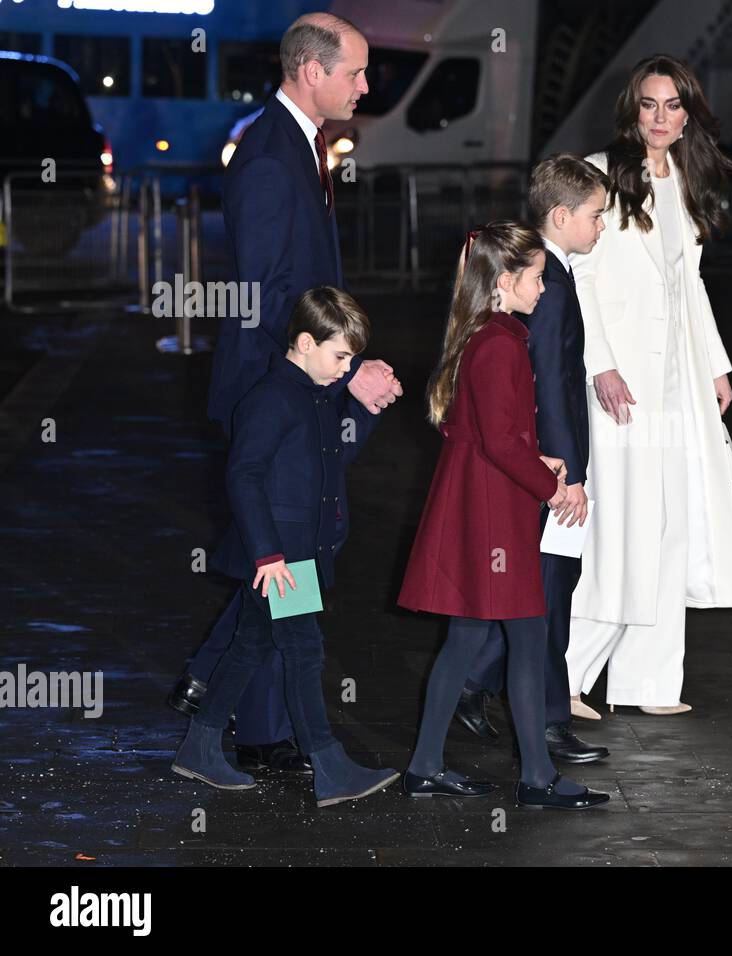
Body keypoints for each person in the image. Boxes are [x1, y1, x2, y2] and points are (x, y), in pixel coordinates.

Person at [166, 12, 401, 774]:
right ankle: (270, 734)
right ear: (311, 71)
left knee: (292, 557)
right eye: (355, 73)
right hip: (277, 384)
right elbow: (265, 297)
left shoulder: (295, 145)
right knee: (290, 558)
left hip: (301, 379)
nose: (365, 86)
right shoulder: (271, 157)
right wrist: (341, 364)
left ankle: (220, 698)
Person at [397, 222, 610, 811]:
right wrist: (553, 487)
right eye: (537, 279)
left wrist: (536, 461)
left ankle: (433, 768)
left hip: (486, 500)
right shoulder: (496, 343)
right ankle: (529, 778)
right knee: (511, 634)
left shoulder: (487, 334)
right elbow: (499, 442)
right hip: (495, 510)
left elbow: (484, 431)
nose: (544, 289)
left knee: (478, 637)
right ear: (506, 279)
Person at [564, 54, 732, 715]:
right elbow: (576, 274)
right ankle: (568, 677)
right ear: (632, 109)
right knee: (620, 530)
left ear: (689, 113)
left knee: (672, 525)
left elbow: (688, 281)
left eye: (674, 105)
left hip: (677, 382)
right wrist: (600, 363)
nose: (662, 117)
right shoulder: (600, 172)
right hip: (622, 382)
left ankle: (648, 683)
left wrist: (715, 364)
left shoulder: (685, 178)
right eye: (650, 104)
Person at [172, 287, 399, 807]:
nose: (347, 368)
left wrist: (365, 411)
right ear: (303, 341)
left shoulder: (315, 394)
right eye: (340, 355)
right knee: (304, 650)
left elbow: (332, 459)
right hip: (281, 560)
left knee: (251, 645)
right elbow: (244, 476)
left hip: (295, 555)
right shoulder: (272, 399)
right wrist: (269, 556)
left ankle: (200, 746)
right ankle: (330, 766)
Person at [452, 156, 612, 763]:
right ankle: (544, 722)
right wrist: (563, 474)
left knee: (542, 586)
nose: (602, 226)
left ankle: (475, 684)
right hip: (549, 468)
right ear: (562, 215)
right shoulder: (551, 280)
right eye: (596, 216)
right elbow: (548, 382)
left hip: (542, 462)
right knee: (547, 591)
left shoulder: (550, 273)